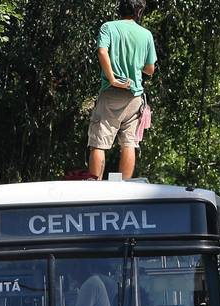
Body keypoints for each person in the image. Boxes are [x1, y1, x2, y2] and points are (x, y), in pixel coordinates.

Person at [86, 0, 157, 180]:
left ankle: (94, 184)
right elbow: (150, 69)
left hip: (111, 93)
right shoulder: (146, 34)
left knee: (99, 141)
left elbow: (102, 52)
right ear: (138, 12)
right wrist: (134, 63)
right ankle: (124, 187)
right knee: (129, 143)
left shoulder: (108, 27)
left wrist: (112, 79)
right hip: (134, 96)